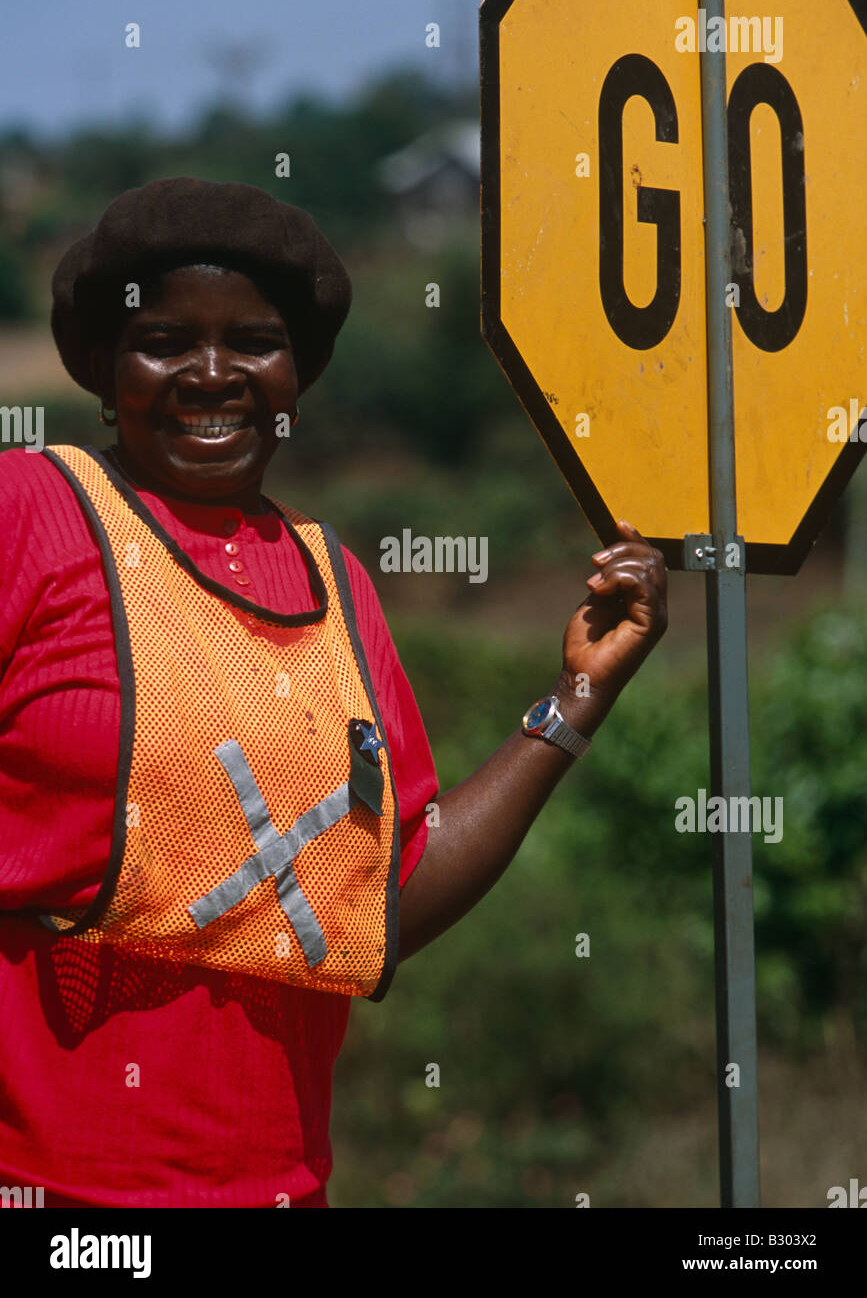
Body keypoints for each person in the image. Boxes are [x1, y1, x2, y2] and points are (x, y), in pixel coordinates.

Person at [0, 176, 667, 1208]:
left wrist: (574, 698)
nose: (211, 374)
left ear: (296, 376)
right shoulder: (33, 511)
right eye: (164, 339)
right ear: (104, 364)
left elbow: (382, 897)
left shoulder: (333, 584)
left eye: (254, 342)